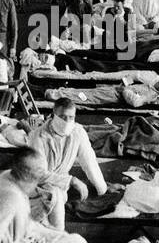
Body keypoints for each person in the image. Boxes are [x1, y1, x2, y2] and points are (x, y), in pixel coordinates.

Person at [25, 97, 108, 230]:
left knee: (55, 194)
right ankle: (57, 235)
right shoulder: (37, 136)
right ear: (54, 115)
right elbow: (38, 174)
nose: (68, 122)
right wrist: (72, 180)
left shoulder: (77, 132)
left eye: (71, 117)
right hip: (36, 184)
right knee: (53, 195)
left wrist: (102, 189)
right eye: (63, 117)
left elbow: (89, 160)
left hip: (59, 184)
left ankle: (53, 237)